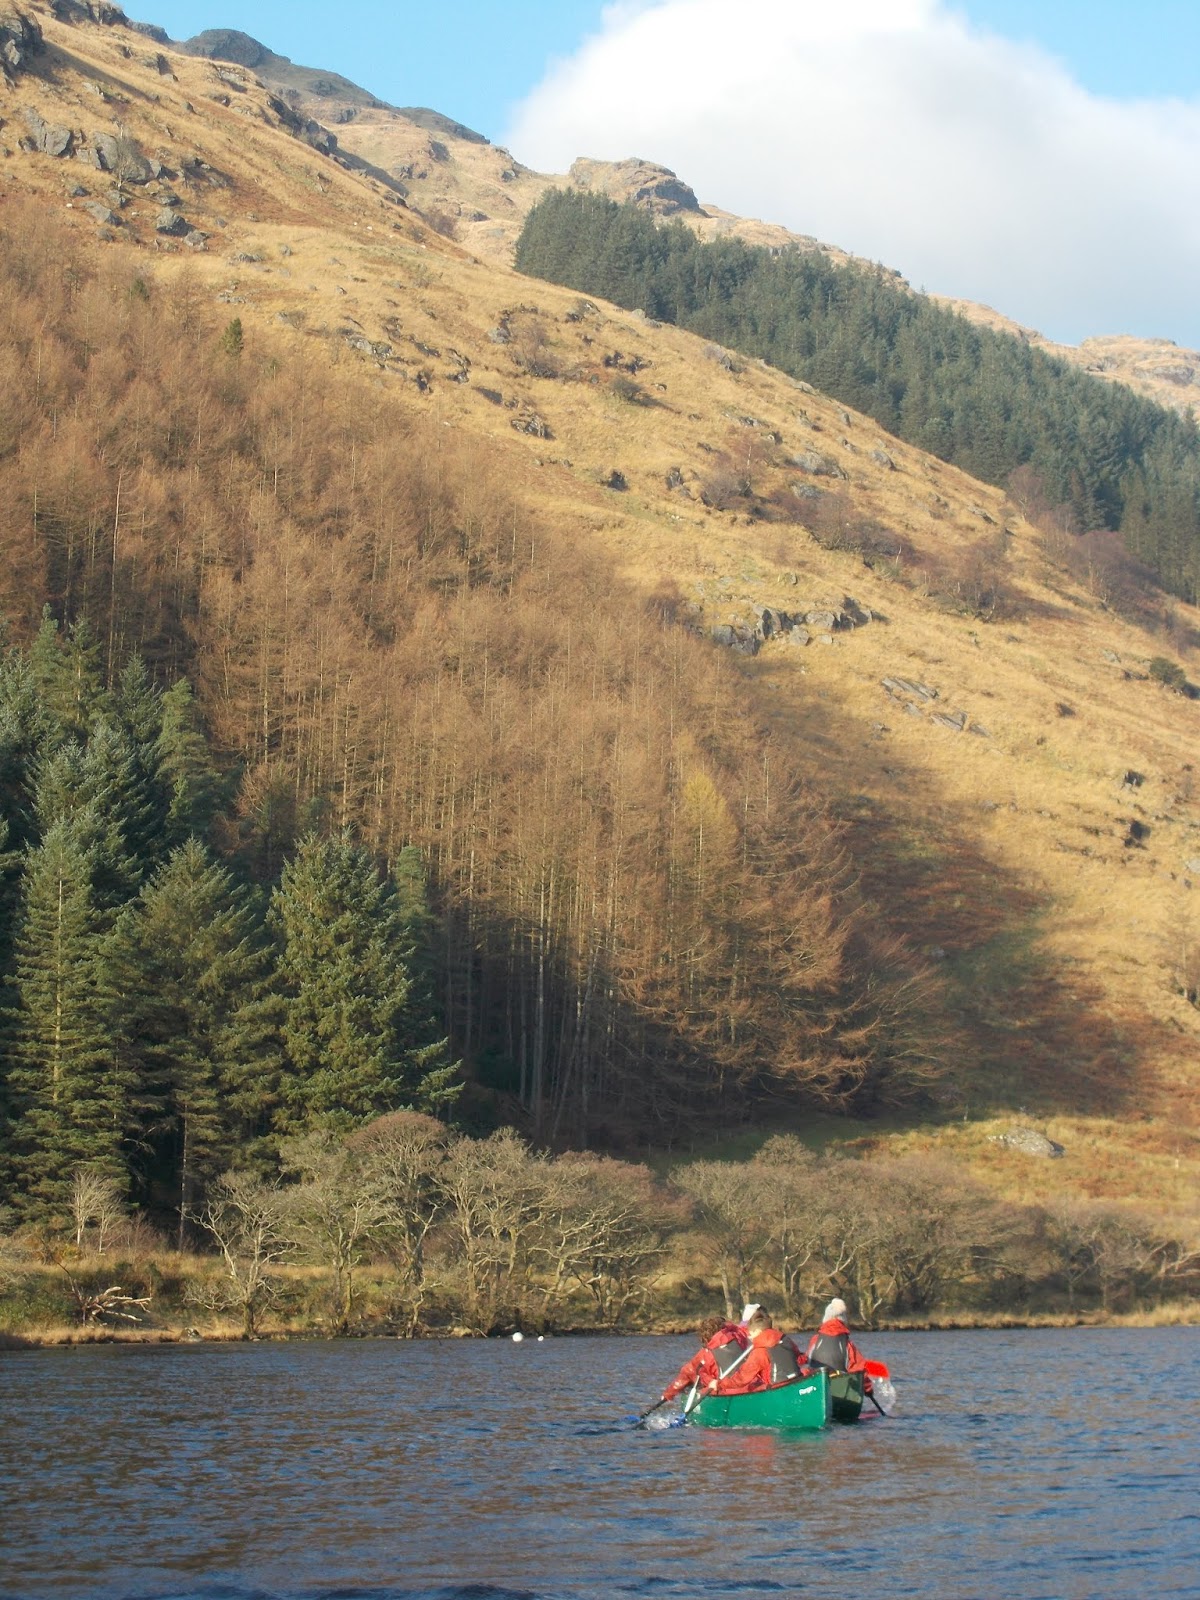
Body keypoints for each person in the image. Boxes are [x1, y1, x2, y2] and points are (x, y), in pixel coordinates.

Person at [660, 1314, 748, 1402]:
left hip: (725, 1392)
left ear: (705, 1336)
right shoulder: (741, 1336)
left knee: (699, 1376)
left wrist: (668, 1394)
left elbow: (687, 1373)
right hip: (751, 1388)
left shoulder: (706, 1353)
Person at [805, 1297, 869, 1375]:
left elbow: (807, 1360)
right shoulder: (847, 1344)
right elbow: (859, 1368)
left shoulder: (815, 1339)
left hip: (817, 1378)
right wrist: (867, 1382)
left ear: (826, 1318)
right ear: (843, 1320)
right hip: (839, 1379)